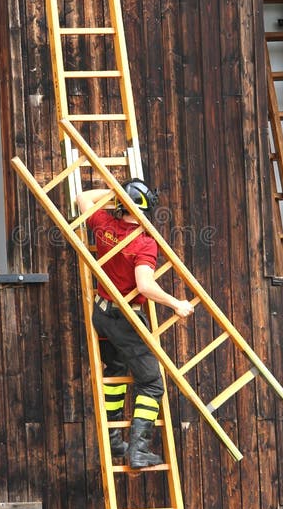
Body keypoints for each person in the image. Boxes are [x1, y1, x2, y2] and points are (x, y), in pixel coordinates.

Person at [75, 179, 194, 468]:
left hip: (102, 315)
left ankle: (116, 441)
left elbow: (82, 197)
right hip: (124, 318)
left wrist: (116, 194)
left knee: (115, 369)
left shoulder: (103, 222)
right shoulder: (143, 242)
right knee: (152, 383)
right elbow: (145, 286)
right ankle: (139, 450)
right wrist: (176, 303)